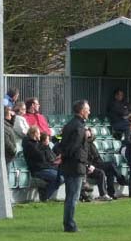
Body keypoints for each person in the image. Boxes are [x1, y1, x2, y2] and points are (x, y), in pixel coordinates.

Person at [58, 100, 92, 233]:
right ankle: (70, 225)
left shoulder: (70, 125)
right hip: (75, 164)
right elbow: (74, 146)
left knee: (70, 197)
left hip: (69, 165)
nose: (89, 112)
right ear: (82, 111)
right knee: (73, 197)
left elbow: (63, 143)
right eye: (87, 109)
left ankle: (68, 223)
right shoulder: (79, 127)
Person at [23, 127, 63, 202]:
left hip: (43, 167)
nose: (39, 135)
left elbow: (44, 158)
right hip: (37, 170)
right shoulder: (30, 145)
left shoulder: (36, 144)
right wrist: (44, 146)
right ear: (34, 134)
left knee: (63, 173)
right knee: (59, 178)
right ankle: (45, 196)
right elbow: (40, 157)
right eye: (38, 133)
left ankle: (45, 190)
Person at [85, 128, 119, 201]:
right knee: (110, 165)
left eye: (89, 132)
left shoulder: (91, 143)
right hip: (92, 165)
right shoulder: (84, 144)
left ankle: (111, 193)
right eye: (87, 133)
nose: (89, 134)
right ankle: (120, 178)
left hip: (98, 164)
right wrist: (89, 166)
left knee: (110, 171)